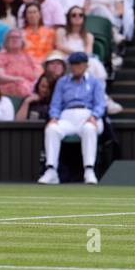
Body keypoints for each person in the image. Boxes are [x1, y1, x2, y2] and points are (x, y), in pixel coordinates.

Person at [37, 52, 107, 185]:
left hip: (87, 115)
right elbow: (56, 104)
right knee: (52, 129)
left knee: (89, 128)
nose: (75, 68)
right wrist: (54, 117)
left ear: (86, 65)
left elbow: (100, 104)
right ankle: (51, 170)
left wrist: (94, 116)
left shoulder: (95, 82)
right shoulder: (62, 82)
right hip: (67, 116)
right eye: (73, 65)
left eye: (78, 64)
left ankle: (89, 170)